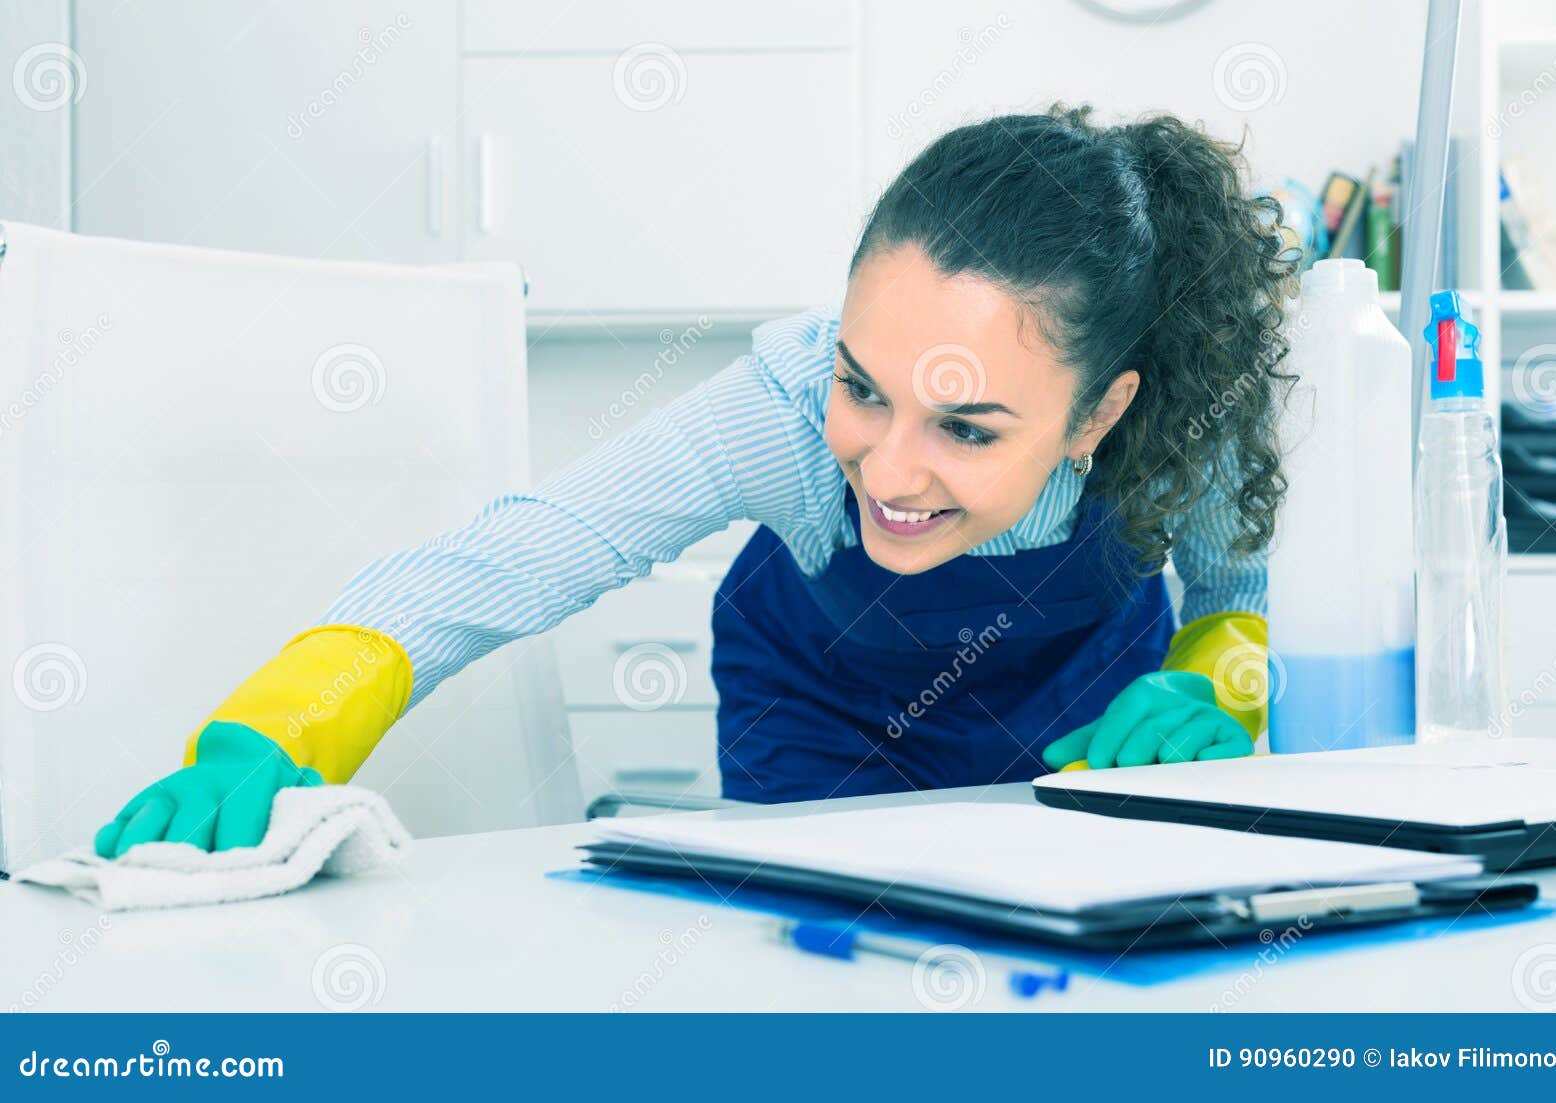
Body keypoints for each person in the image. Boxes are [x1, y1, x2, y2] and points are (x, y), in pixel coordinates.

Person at [95, 103, 1294, 856]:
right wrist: (273, 726)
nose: (887, 470)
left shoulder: (1186, 418)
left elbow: (1237, 595)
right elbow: (521, 552)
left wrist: (1212, 688)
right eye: (862, 384)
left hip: (1087, 719)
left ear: (1100, 412)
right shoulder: (780, 411)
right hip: (821, 719)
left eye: (966, 430)